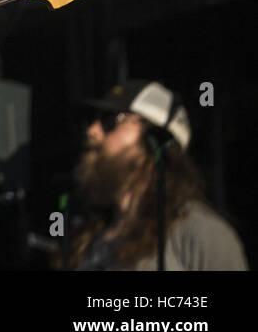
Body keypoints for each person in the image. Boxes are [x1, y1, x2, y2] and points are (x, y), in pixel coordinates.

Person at [68, 79, 248, 271]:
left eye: (110, 120)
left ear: (155, 139)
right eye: (92, 121)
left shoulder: (201, 233)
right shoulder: (87, 239)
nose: (92, 131)